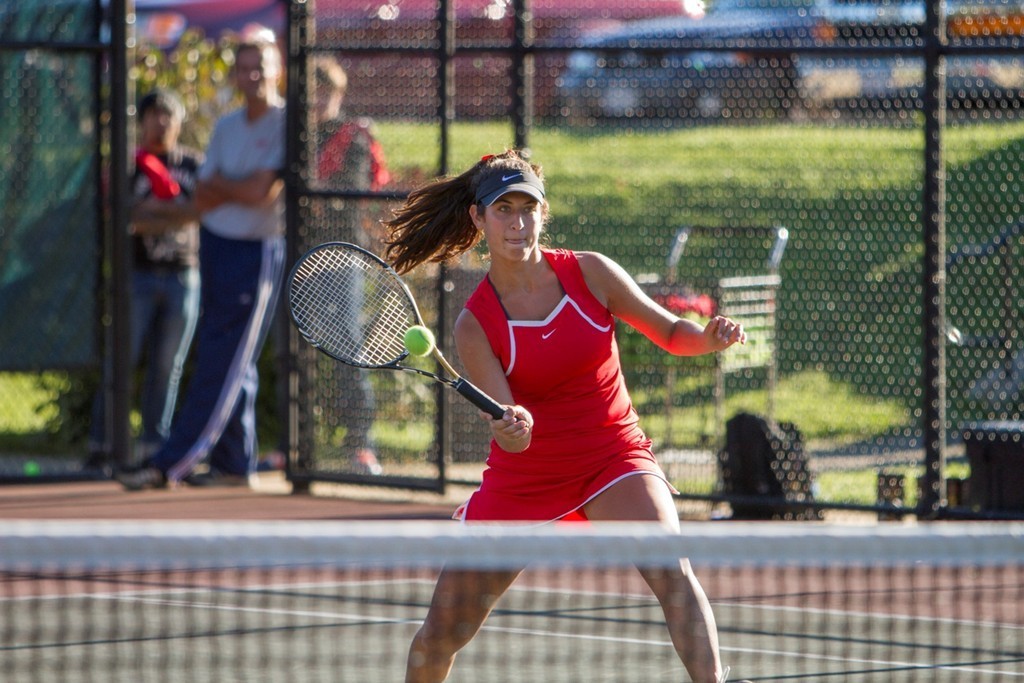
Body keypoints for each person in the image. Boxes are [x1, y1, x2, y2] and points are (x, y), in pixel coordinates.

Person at [382, 150, 750, 683]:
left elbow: (671, 332)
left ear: (543, 212)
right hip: (525, 479)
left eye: (527, 208)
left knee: (672, 566)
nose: (517, 222)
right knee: (442, 633)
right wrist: (514, 427)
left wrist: (707, 338)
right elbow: (509, 436)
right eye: (502, 209)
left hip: (613, 456)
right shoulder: (476, 323)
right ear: (478, 219)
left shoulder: (591, 273)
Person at [117, 33, 287, 490]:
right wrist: (239, 188)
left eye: (260, 66)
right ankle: (234, 466)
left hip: (257, 252)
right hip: (216, 246)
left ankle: (170, 463)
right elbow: (207, 192)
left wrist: (234, 190)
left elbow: (260, 194)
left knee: (222, 358)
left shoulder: (286, 121)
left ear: (276, 70)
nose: (251, 75)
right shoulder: (227, 126)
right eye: (244, 66)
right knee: (237, 360)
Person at [261, 54, 390, 475]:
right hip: (294, 255)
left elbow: (346, 193)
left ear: (338, 95)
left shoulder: (351, 136)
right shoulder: (293, 135)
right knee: (291, 350)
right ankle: (292, 445)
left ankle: (362, 445)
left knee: (348, 347)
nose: (317, 100)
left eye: (325, 92)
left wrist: (312, 197)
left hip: (340, 256)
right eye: (310, 92)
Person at [87, 88, 202, 470]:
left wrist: (152, 213)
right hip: (136, 276)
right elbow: (121, 215)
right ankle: (104, 445)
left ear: (179, 120)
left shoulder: (193, 164)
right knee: (121, 361)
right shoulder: (128, 164)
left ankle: (155, 448)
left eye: (168, 114)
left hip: (182, 276)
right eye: (154, 114)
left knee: (167, 368)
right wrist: (169, 212)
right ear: (143, 121)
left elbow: (198, 212)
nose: (161, 122)